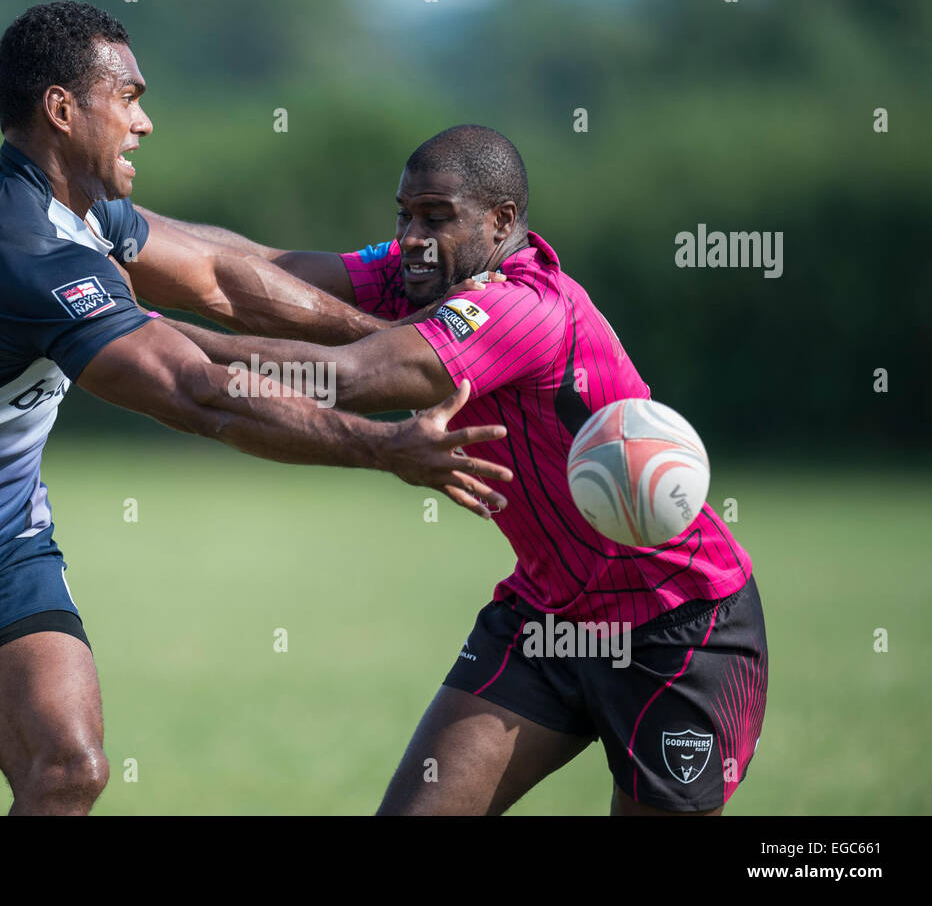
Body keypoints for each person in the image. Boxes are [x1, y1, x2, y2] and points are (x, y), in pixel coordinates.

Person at [0, 3, 512, 816]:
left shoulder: (73, 208)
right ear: (62, 110)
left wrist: (400, 338)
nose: (145, 122)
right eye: (127, 99)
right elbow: (199, 394)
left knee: (69, 767)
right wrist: (381, 445)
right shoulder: (25, 252)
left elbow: (225, 277)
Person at [161, 124, 768, 816]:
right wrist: (109, 230)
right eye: (404, 213)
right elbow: (259, 269)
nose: (412, 235)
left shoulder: (524, 306)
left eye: (436, 216)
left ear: (501, 220)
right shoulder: (427, 270)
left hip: (680, 626)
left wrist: (142, 335)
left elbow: (348, 379)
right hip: (547, 617)